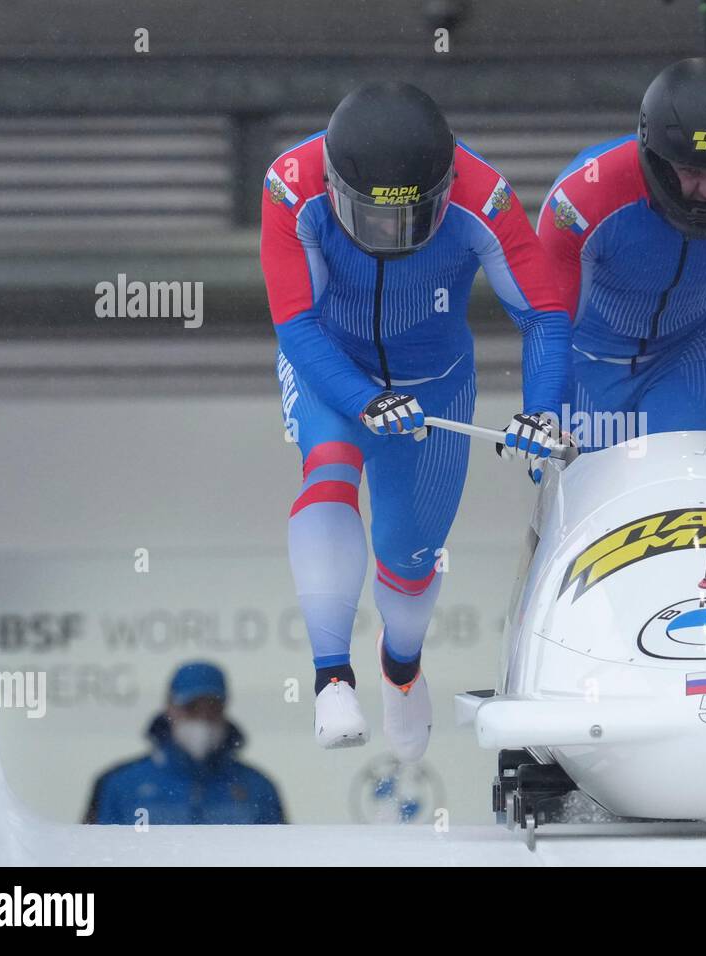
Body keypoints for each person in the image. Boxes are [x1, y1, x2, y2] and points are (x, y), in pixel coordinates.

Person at [260, 81, 570, 759]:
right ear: (336, 187)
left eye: (410, 219)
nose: (388, 238)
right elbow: (295, 322)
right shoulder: (291, 186)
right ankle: (331, 676)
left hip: (433, 385)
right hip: (329, 364)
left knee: (407, 553)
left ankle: (400, 665)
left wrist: (543, 411)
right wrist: (363, 400)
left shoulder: (483, 197)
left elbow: (543, 311)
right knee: (330, 469)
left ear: (445, 186)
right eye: (370, 219)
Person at [537, 58, 706, 450]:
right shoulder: (584, 198)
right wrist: (543, 408)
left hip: (688, 352)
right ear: (657, 158)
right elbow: (548, 319)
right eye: (692, 172)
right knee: (585, 490)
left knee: (689, 480)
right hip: (589, 359)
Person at [83, 662, 285, 825]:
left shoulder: (258, 787)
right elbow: (93, 857)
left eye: (213, 709)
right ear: (169, 707)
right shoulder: (119, 784)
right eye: (192, 708)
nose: (203, 719)